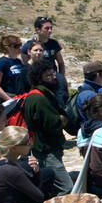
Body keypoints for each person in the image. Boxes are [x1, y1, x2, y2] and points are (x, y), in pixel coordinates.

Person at [21, 58, 73, 195]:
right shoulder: (39, 98)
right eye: (48, 75)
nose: (53, 77)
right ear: (39, 78)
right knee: (66, 186)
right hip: (46, 149)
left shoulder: (44, 94)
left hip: (47, 147)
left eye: (53, 74)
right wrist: (62, 119)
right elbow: (54, 123)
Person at [22, 16, 67, 101]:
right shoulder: (29, 45)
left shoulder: (54, 44)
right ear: (37, 30)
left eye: (51, 28)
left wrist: (61, 77)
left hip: (52, 81)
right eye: (46, 28)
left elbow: (60, 62)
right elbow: (25, 64)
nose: (50, 31)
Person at [0, 35, 27, 103]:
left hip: (20, 96)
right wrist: (9, 100)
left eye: (20, 45)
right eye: (16, 46)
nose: (20, 48)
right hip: (8, 97)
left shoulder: (18, 61)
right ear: (8, 47)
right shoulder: (2, 62)